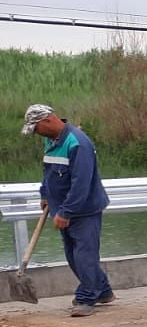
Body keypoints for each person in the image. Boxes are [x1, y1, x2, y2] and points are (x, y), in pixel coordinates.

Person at [22, 105, 112, 316]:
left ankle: (86, 299)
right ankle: (103, 291)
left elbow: (81, 183)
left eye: (36, 129)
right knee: (73, 255)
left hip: (84, 210)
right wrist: (45, 194)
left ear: (48, 121)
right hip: (61, 207)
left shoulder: (78, 143)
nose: (36, 134)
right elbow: (49, 171)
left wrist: (66, 212)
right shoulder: (51, 140)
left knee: (83, 256)